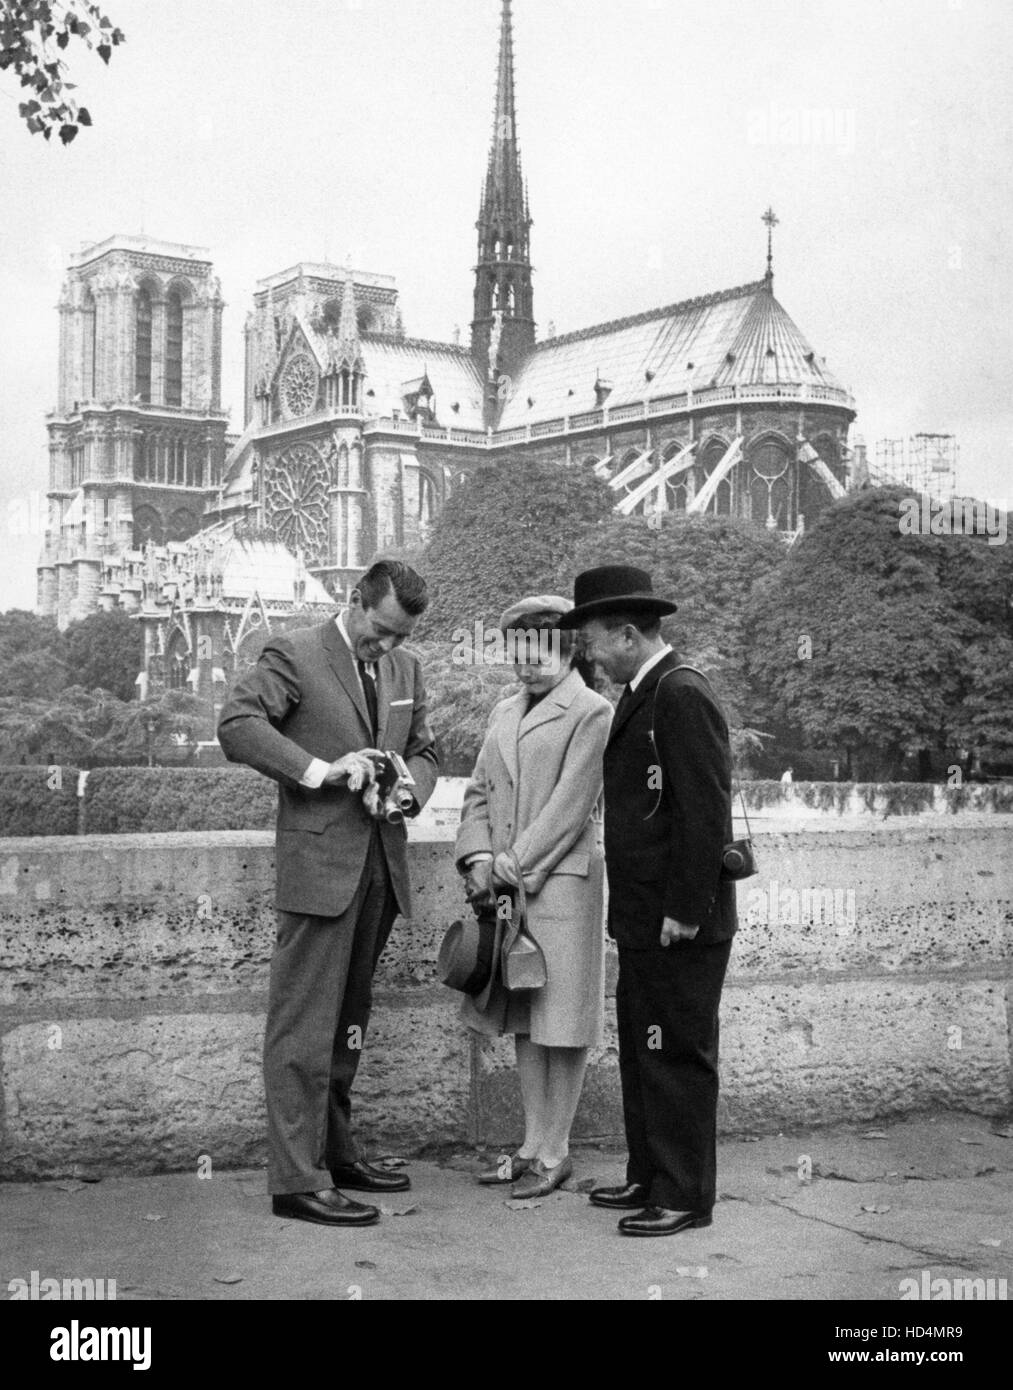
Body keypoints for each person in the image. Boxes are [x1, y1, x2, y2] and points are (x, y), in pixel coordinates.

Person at [217, 560, 438, 1227]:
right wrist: (323, 770)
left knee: (347, 1024)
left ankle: (336, 1154)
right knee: (302, 1030)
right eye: (379, 634)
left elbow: (426, 751)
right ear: (353, 601)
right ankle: (295, 1180)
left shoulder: (406, 669)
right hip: (319, 871)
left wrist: (406, 789)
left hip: (379, 866)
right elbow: (237, 724)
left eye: (399, 637)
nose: (388, 649)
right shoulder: (295, 651)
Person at [557, 565, 737, 1237]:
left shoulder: (679, 694)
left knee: (677, 1057)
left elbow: (703, 812)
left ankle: (684, 1195)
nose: (589, 655)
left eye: (594, 640)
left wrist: (685, 910)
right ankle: (649, 1175)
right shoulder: (648, 689)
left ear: (627, 635)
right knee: (643, 1047)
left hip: (676, 920)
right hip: (645, 917)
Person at [455, 596, 612, 1200]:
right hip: (506, 886)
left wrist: (507, 868)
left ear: (569, 649)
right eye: (515, 655)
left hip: (560, 884)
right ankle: (529, 1143)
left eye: (536, 654)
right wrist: (475, 856)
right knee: (523, 1013)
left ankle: (557, 1149)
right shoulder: (502, 710)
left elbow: (571, 810)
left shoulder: (592, 712)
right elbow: (476, 793)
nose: (523, 667)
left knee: (562, 1020)